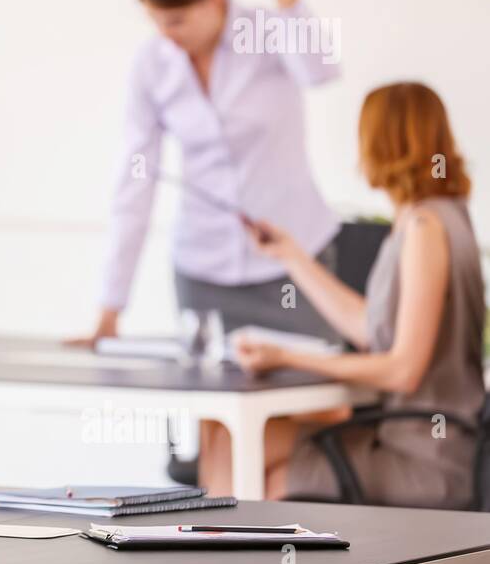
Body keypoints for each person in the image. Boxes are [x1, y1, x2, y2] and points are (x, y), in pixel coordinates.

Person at [205, 82, 485, 508]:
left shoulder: (425, 228)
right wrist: (291, 256)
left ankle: (228, 563)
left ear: (381, 143)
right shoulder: (437, 215)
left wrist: (288, 357)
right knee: (229, 438)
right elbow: (372, 328)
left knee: (253, 460)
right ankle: (228, 561)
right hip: (405, 435)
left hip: (426, 456)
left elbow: (402, 370)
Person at [71, 0, 342, 345]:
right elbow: (135, 184)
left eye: (176, 20)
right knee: (214, 408)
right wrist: (110, 309)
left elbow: (322, 70)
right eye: (155, 22)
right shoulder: (152, 65)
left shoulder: (266, 32)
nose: (166, 35)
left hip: (293, 264)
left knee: (308, 404)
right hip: (203, 268)